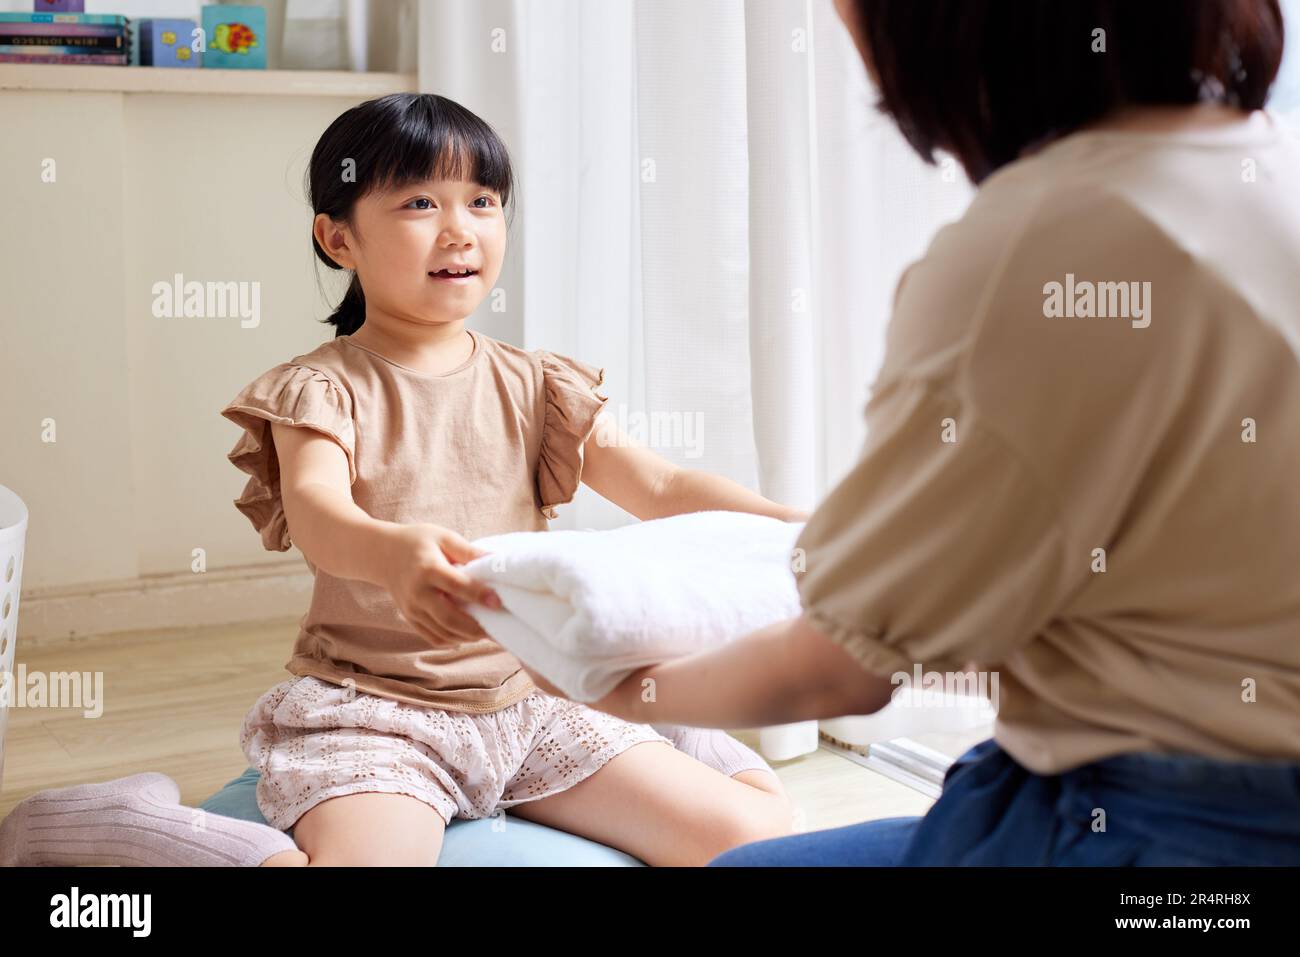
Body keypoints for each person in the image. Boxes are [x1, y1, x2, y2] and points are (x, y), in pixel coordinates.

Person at [524, 0, 1300, 865]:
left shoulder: (1030, 250)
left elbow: (839, 666)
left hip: (1160, 825)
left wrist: (603, 680)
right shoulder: (1272, 160)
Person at [0, 93, 810, 868]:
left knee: (751, 839)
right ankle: (135, 821)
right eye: (420, 204)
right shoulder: (320, 389)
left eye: (483, 202)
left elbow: (663, 488)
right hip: (376, 714)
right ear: (338, 237)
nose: (460, 229)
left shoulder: (538, 384)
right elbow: (318, 510)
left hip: (528, 700)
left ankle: (674, 733)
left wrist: (791, 522)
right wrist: (393, 554)